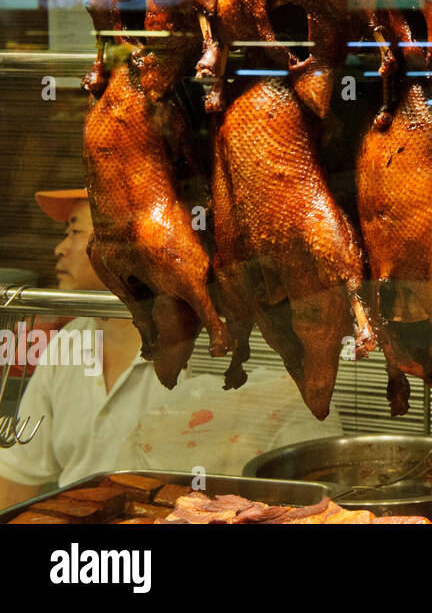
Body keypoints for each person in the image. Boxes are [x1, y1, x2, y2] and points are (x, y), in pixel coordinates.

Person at [0, 189, 341, 509]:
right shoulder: (70, 342)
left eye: (74, 232)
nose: (59, 248)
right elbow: (17, 476)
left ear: (121, 248)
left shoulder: (211, 348)